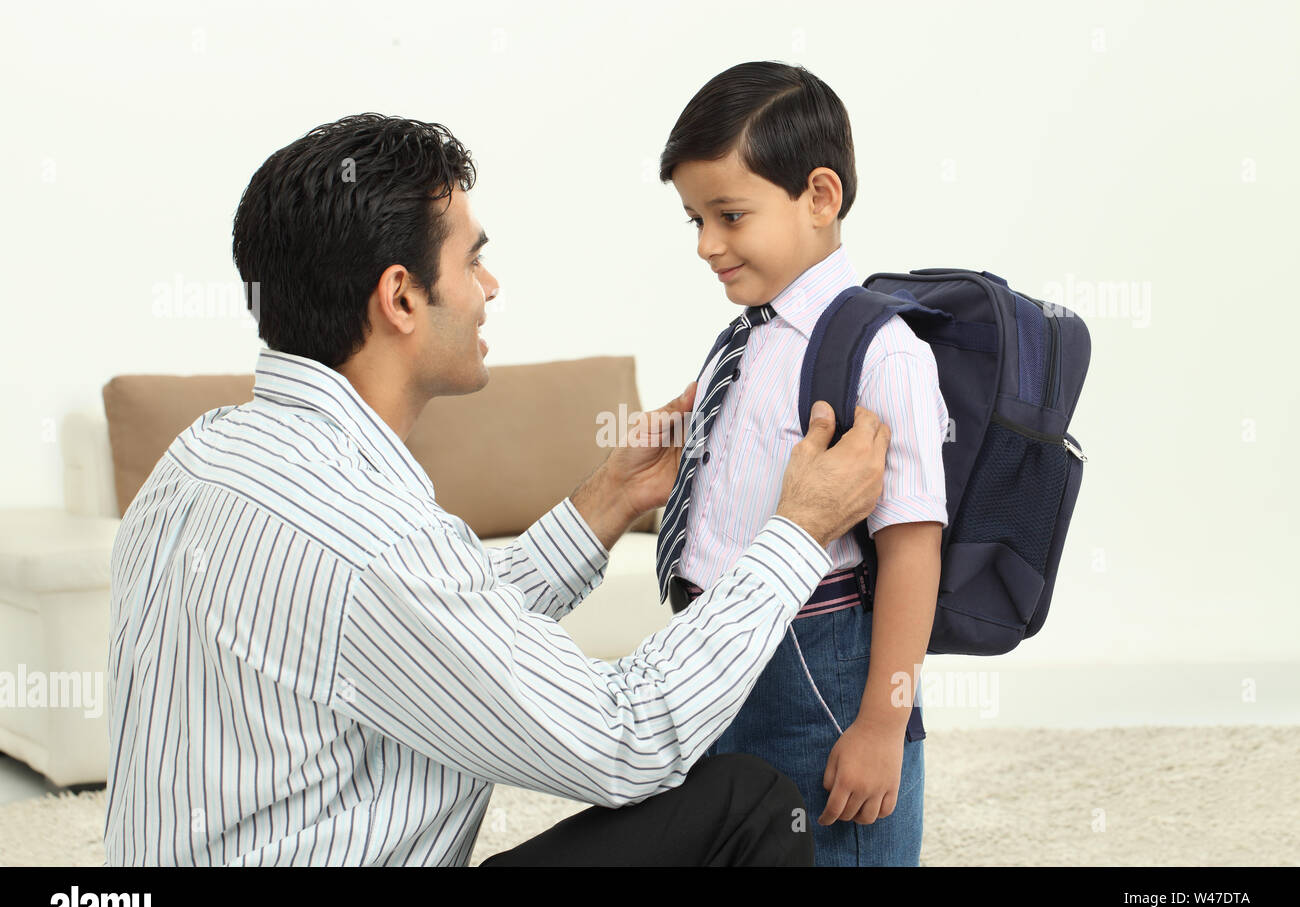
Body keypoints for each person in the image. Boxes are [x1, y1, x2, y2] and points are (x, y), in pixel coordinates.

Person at [102, 112, 895, 866]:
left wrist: (607, 501)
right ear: (401, 297)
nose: (491, 285)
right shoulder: (371, 538)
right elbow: (628, 736)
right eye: (472, 260)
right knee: (746, 808)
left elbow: (432, 625)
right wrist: (798, 530)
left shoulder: (202, 455)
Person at [656, 62, 949, 866]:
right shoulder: (742, 344)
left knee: (833, 846)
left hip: (816, 676)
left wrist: (884, 724)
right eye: (694, 221)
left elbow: (913, 549)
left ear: (820, 196)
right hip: (719, 660)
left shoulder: (882, 352)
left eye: (730, 215)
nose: (709, 245)